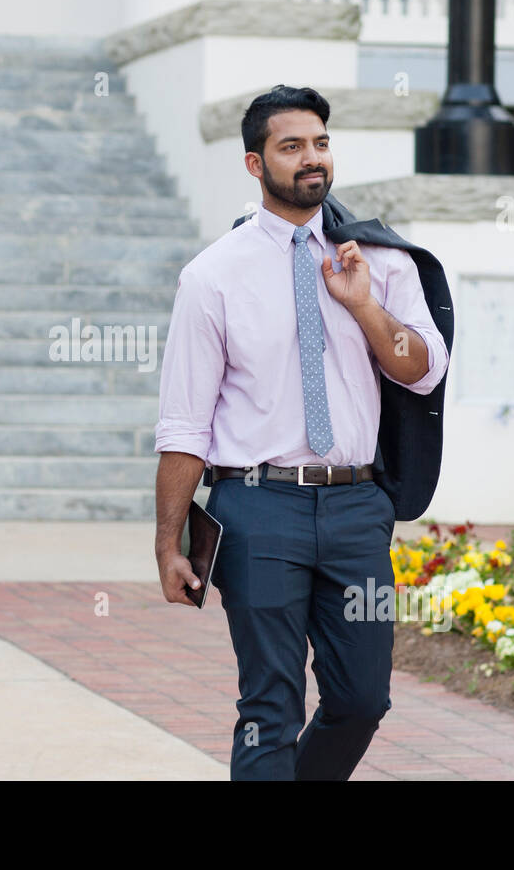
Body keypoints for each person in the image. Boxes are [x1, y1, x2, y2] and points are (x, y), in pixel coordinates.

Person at [152, 85, 450, 780]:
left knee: (362, 698)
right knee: (270, 705)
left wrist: (364, 307)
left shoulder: (380, 261)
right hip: (257, 508)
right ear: (256, 164)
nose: (311, 159)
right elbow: (185, 423)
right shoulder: (212, 277)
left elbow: (423, 372)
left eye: (320, 143)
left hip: (356, 507)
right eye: (292, 147)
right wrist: (168, 541)